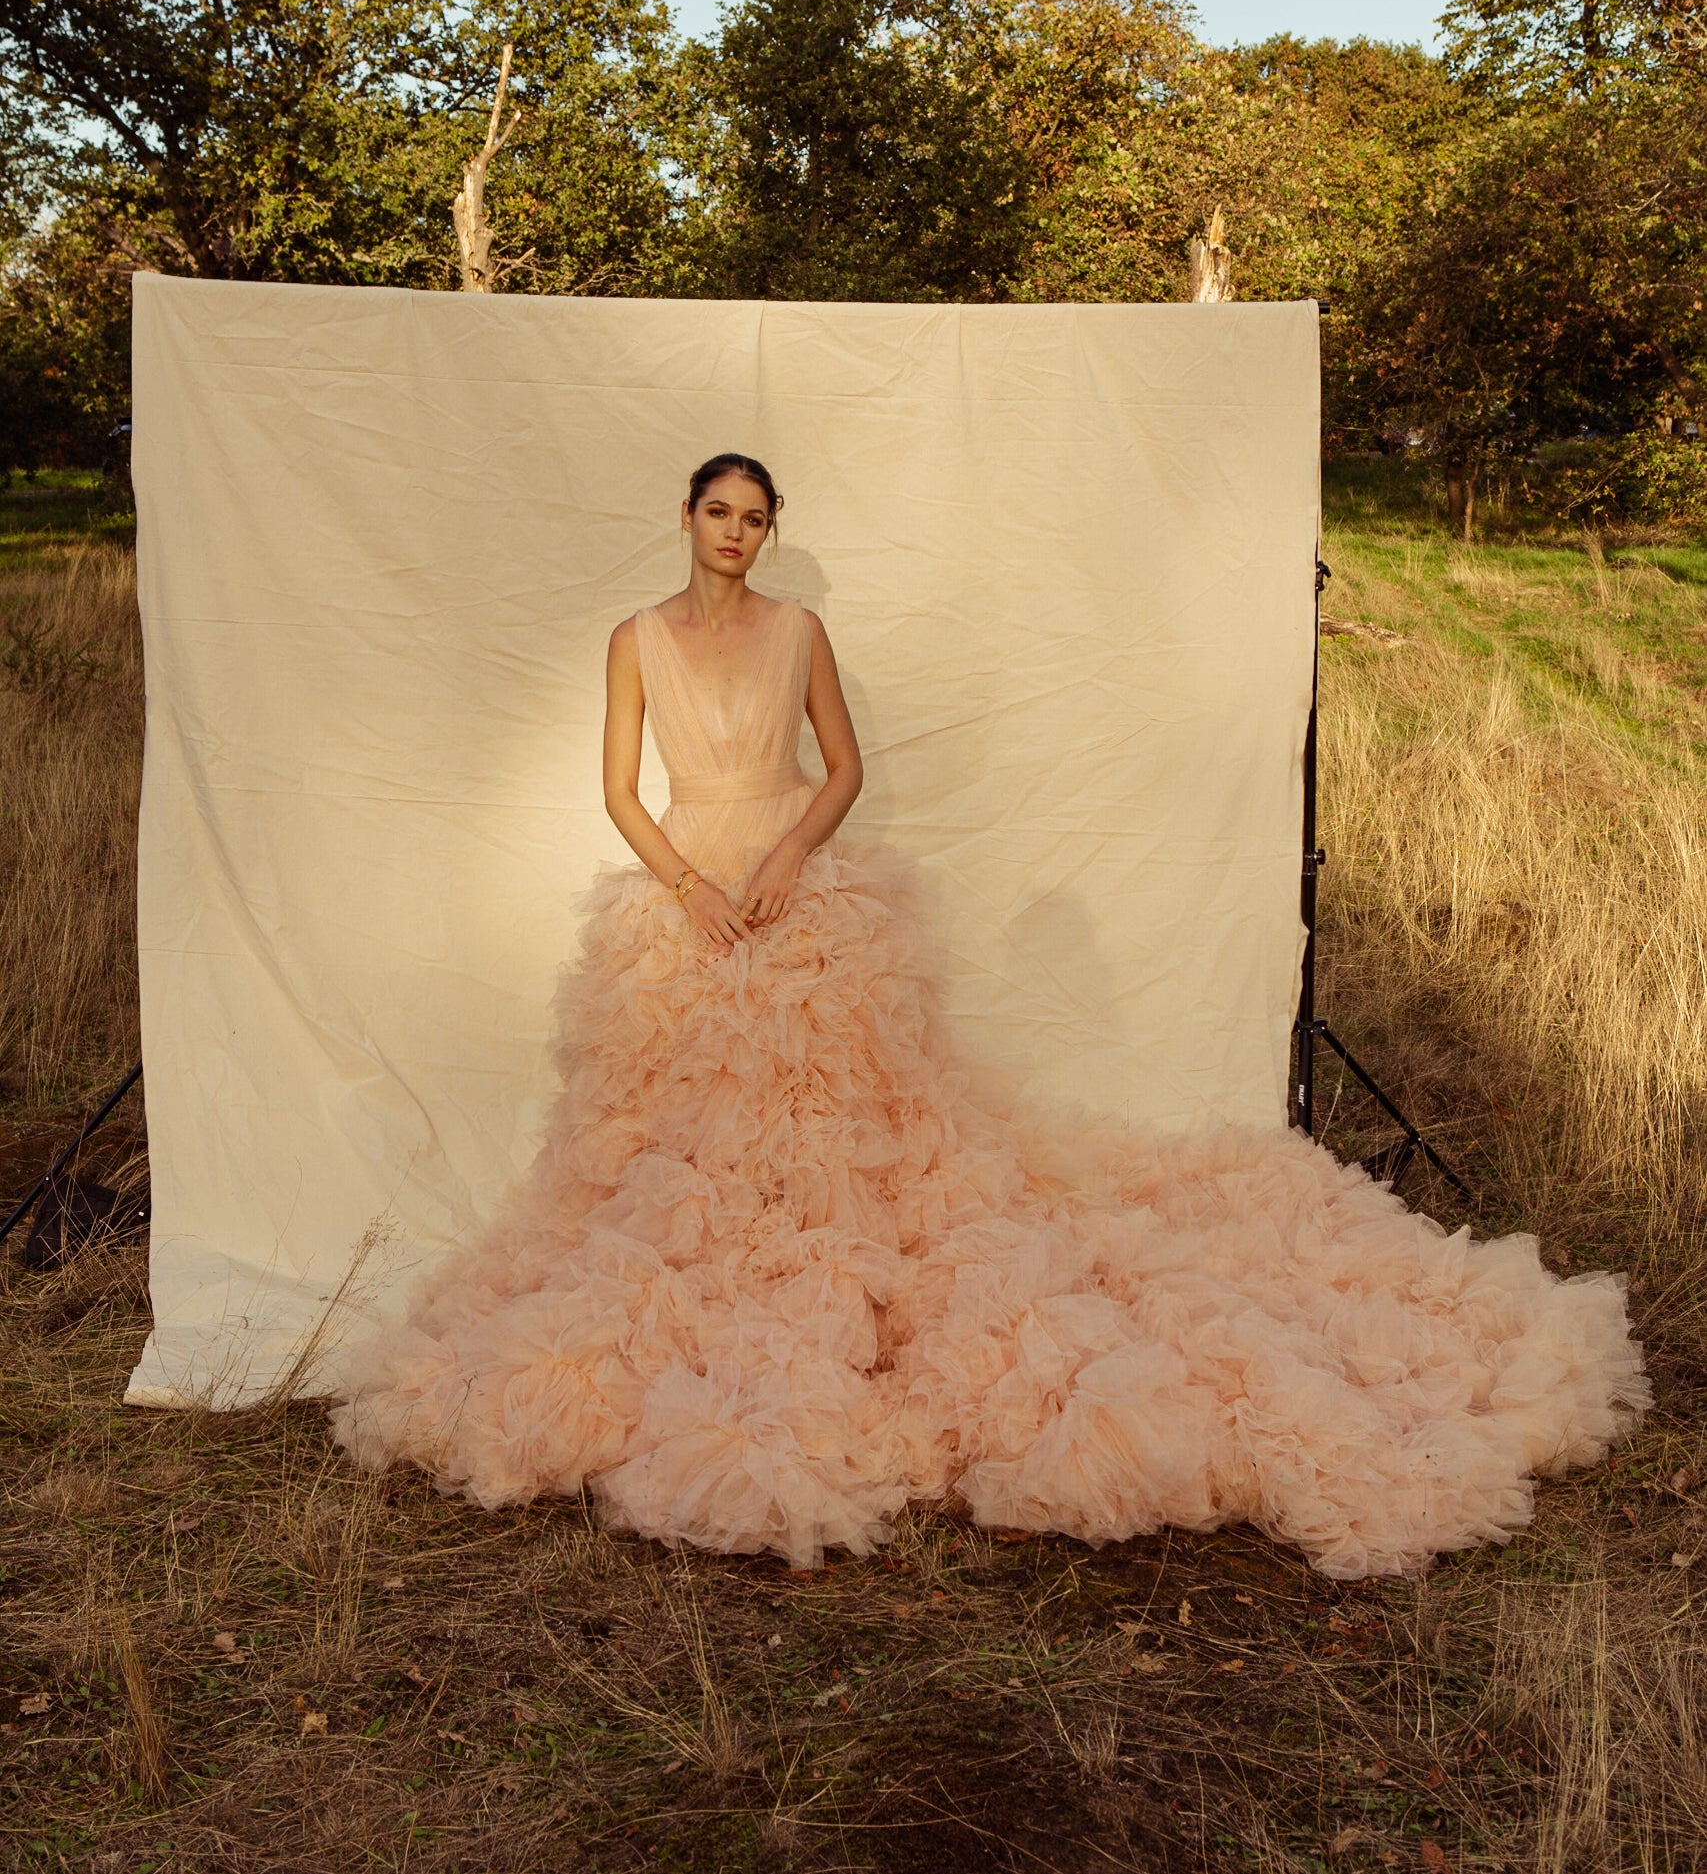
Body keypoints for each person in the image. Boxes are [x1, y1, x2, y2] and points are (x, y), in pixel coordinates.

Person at [331, 454, 1648, 1577]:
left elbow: (841, 766)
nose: (734, 532)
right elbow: (621, 788)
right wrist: (688, 888)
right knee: (680, 1126)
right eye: (717, 512)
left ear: (770, 531)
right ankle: (721, 1297)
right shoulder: (635, 639)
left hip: (794, 890)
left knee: (838, 1116)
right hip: (687, 901)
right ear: (685, 517)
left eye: (754, 517)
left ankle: (840, 1289)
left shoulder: (798, 632)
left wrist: (785, 860)